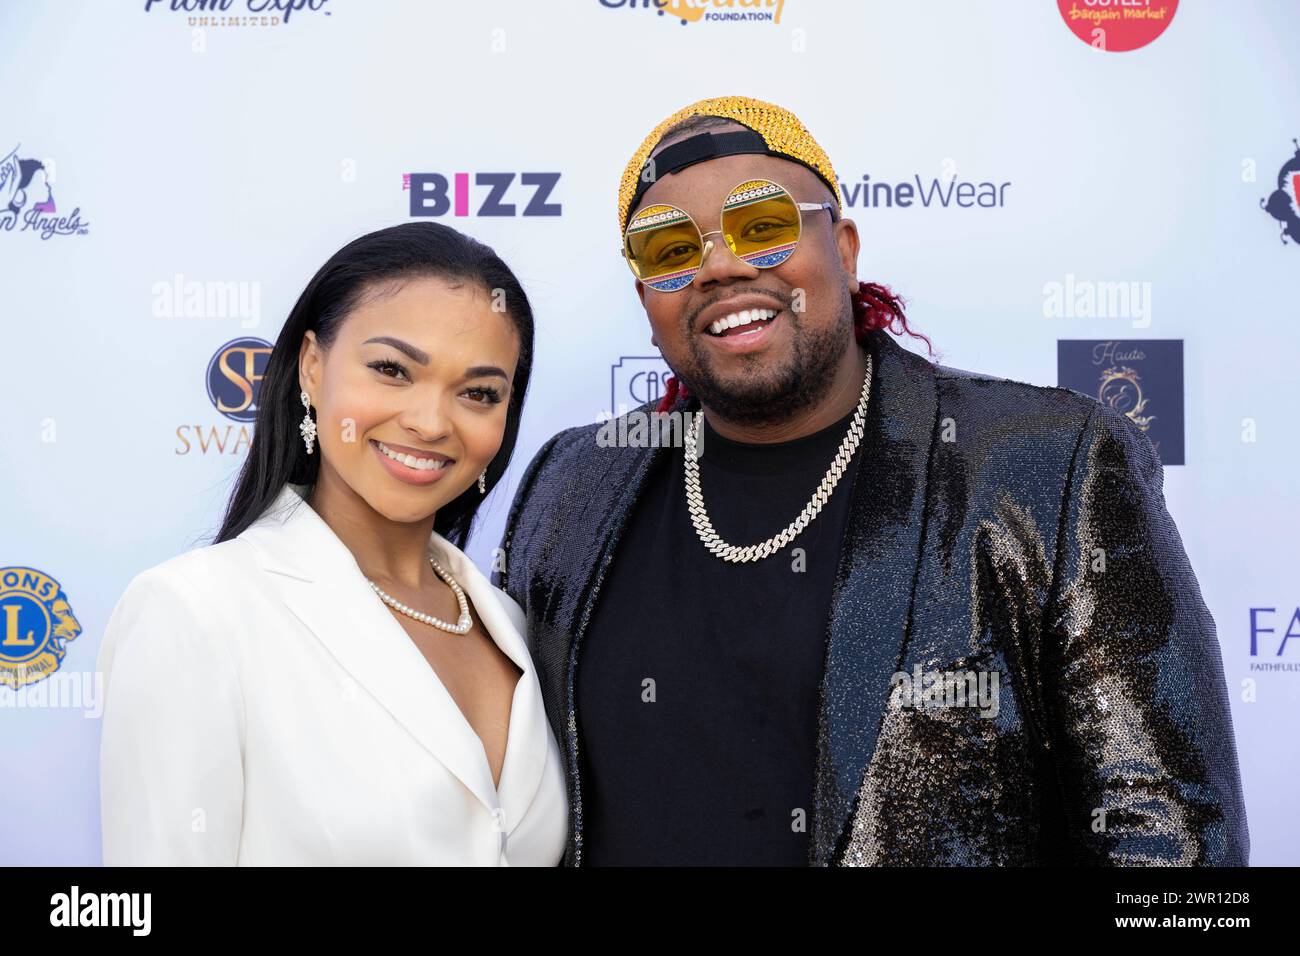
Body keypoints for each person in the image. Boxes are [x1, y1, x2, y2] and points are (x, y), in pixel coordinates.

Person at [495, 96, 1249, 866]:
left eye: (763, 228)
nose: (719, 265)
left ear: (845, 250)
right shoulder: (570, 485)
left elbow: (1172, 839)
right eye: (668, 251)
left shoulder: (1044, 462)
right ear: (647, 299)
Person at [98, 222, 567, 865]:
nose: (431, 422)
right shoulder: (196, 613)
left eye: (479, 393)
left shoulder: (508, 624)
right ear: (312, 368)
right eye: (392, 370)